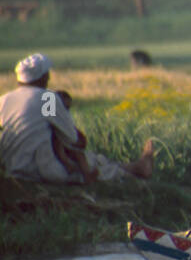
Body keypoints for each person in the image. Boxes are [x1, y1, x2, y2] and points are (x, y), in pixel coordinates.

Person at [0, 53, 156, 184]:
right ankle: (136, 169)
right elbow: (72, 138)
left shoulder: (3, 100)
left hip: (8, 168)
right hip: (36, 170)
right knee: (90, 163)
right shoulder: (47, 98)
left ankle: (134, 167)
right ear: (43, 76)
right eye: (47, 73)